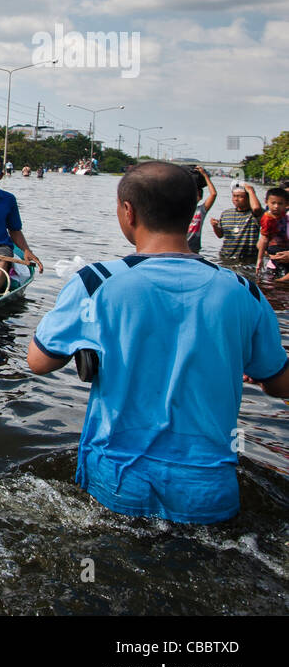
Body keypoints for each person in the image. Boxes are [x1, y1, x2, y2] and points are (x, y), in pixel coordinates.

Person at [26, 161, 289, 523]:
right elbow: (279, 381)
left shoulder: (95, 282)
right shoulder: (244, 290)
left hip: (119, 480)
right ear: (193, 209)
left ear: (128, 211)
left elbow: (39, 362)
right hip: (209, 489)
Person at [210, 181, 264, 261]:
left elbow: (256, 208)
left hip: (248, 259)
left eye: (240, 196)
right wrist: (214, 226)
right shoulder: (226, 213)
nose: (236, 199)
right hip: (226, 257)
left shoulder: (254, 215)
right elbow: (220, 235)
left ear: (249, 198)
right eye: (234, 196)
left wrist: (250, 191)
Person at [255, 187, 289, 279]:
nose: (276, 206)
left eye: (280, 203)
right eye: (273, 203)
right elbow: (263, 240)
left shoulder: (283, 216)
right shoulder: (268, 218)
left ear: (286, 204)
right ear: (266, 202)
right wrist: (260, 259)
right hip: (275, 253)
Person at [185, 165, 218, 253]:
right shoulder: (180, 209)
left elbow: (213, 194)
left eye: (196, 194)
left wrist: (205, 175)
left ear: (200, 197)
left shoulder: (201, 211)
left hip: (194, 248)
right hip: (180, 247)